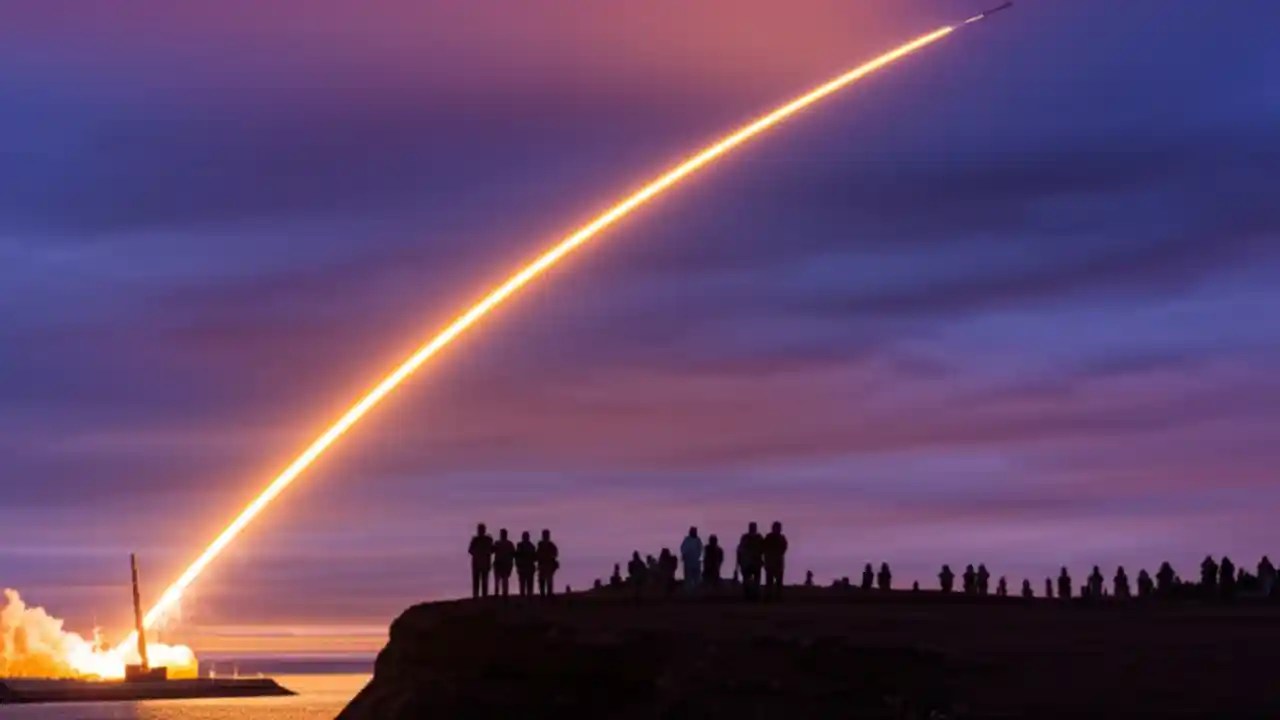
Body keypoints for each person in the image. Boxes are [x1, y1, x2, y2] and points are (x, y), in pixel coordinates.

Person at [737, 523, 764, 600]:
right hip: (748, 562)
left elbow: (762, 549)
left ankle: (754, 595)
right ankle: (749, 595)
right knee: (748, 580)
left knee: (754, 581)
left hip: (754, 562)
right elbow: (740, 549)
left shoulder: (758, 538)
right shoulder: (747, 538)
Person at [762, 521, 788, 599]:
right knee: (770, 581)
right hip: (771, 562)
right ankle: (769, 596)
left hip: (777, 562)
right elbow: (764, 548)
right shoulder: (769, 537)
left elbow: (784, 549)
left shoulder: (781, 538)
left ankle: (777, 596)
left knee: (778, 582)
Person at [467, 523, 494, 599]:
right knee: (479, 581)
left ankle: (480, 596)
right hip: (480, 562)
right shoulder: (481, 540)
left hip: (482, 562)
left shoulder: (485, 539)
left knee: (481, 581)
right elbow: (470, 550)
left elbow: (470, 550)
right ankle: (479, 596)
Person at [492, 529, 515, 598]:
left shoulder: (505, 543)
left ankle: (503, 593)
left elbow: (513, 554)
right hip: (500, 563)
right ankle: (500, 593)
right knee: (499, 580)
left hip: (504, 563)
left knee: (503, 579)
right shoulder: (502, 543)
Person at [536, 529, 559, 597]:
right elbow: (537, 555)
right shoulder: (541, 545)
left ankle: (548, 593)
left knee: (548, 580)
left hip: (548, 565)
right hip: (543, 565)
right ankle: (543, 593)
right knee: (542, 580)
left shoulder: (550, 545)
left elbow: (555, 554)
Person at [680, 527, 704, 591]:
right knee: (688, 578)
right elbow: (683, 549)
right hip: (688, 562)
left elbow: (701, 550)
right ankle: (688, 590)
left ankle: (696, 590)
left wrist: (700, 559)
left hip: (696, 562)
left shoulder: (698, 540)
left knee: (696, 578)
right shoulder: (687, 540)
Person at [515, 531, 537, 598]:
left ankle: (528, 596)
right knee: (523, 583)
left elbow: (534, 557)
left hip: (528, 567)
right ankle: (525, 596)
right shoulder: (522, 546)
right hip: (524, 567)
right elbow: (517, 556)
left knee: (528, 583)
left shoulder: (531, 546)